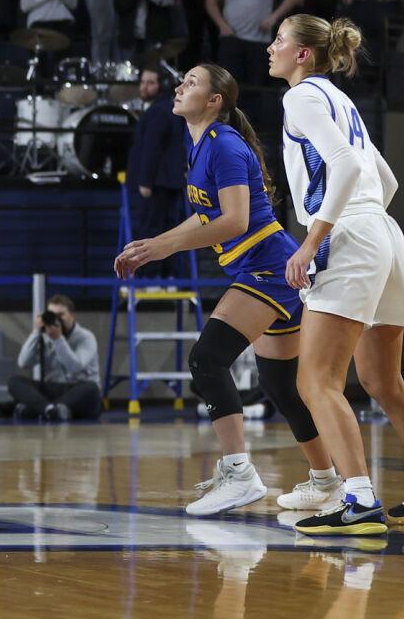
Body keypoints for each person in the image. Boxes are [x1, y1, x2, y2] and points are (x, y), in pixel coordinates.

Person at [270, 15, 404, 532]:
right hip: (382, 231)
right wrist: (365, 220)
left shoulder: (301, 97)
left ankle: (357, 499)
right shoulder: (341, 99)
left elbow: (348, 167)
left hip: (350, 236)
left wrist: (314, 239)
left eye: (280, 41)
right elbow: (387, 178)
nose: (271, 48)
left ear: (304, 54)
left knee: (316, 381)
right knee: (383, 381)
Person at [114, 63, 335, 515]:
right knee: (281, 387)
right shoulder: (199, 147)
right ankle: (327, 481)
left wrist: (161, 247)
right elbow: (203, 218)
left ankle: (240, 473)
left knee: (206, 359)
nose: (179, 86)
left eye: (191, 82)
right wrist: (155, 246)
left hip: (268, 266)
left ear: (215, 101)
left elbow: (233, 220)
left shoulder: (225, 147)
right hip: (266, 269)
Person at [125, 69, 186, 271]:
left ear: (160, 85)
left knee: (152, 232)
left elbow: (151, 148)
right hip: (167, 182)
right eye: (142, 82)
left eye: (150, 82)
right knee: (166, 231)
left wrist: (145, 181)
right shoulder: (167, 109)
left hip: (156, 184)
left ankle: (151, 279)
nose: (145, 86)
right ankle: (166, 278)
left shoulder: (157, 111)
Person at [5, 295, 101, 421]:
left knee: (92, 388)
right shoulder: (45, 336)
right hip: (53, 389)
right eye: (52, 315)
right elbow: (23, 362)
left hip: (78, 391)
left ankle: (37, 409)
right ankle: (51, 410)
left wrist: (58, 339)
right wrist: (35, 332)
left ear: (72, 315)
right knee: (14, 381)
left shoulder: (86, 337)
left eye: (61, 315)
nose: (57, 319)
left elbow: (75, 368)